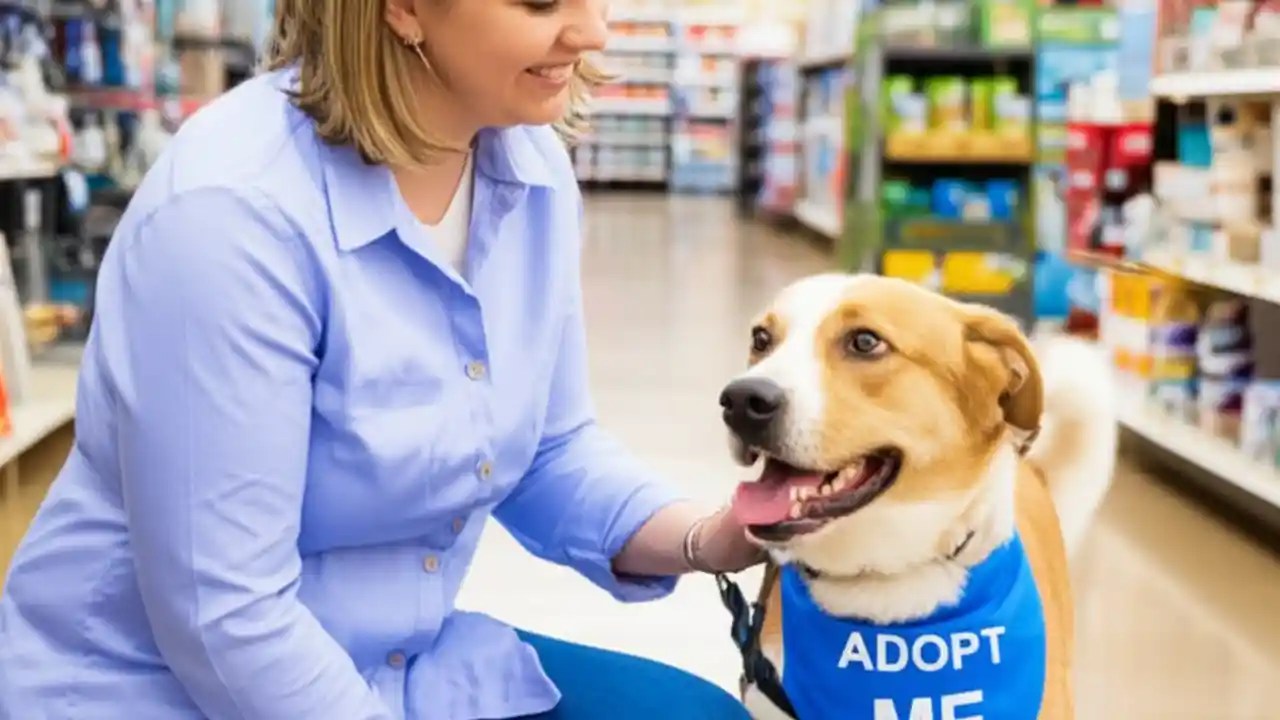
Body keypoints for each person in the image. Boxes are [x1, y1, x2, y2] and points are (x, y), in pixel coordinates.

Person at [0, 0, 764, 717]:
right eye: (539, 3)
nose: (594, 30)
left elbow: (547, 450)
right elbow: (227, 616)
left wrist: (715, 535)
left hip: (399, 667)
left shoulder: (528, 169)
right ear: (400, 8)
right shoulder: (232, 216)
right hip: (162, 689)